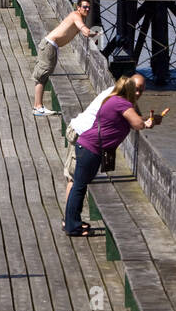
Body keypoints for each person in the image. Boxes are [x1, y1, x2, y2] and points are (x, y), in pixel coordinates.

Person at [64, 75, 159, 235]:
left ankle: (74, 221)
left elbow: (130, 119)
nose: (138, 94)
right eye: (136, 90)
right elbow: (137, 124)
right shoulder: (121, 103)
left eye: (141, 90)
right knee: (79, 186)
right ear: (128, 89)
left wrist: (149, 120)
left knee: (80, 185)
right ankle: (72, 226)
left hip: (89, 146)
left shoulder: (116, 99)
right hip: (90, 148)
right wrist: (145, 123)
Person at [32, 0, 97, 116]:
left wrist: (93, 34)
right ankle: (38, 107)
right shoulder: (76, 15)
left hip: (52, 47)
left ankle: (38, 106)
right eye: (84, 7)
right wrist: (95, 33)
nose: (87, 9)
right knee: (41, 76)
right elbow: (84, 30)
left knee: (43, 76)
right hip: (49, 46)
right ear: (78, 7)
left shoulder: (79, 17)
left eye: (88, 7)